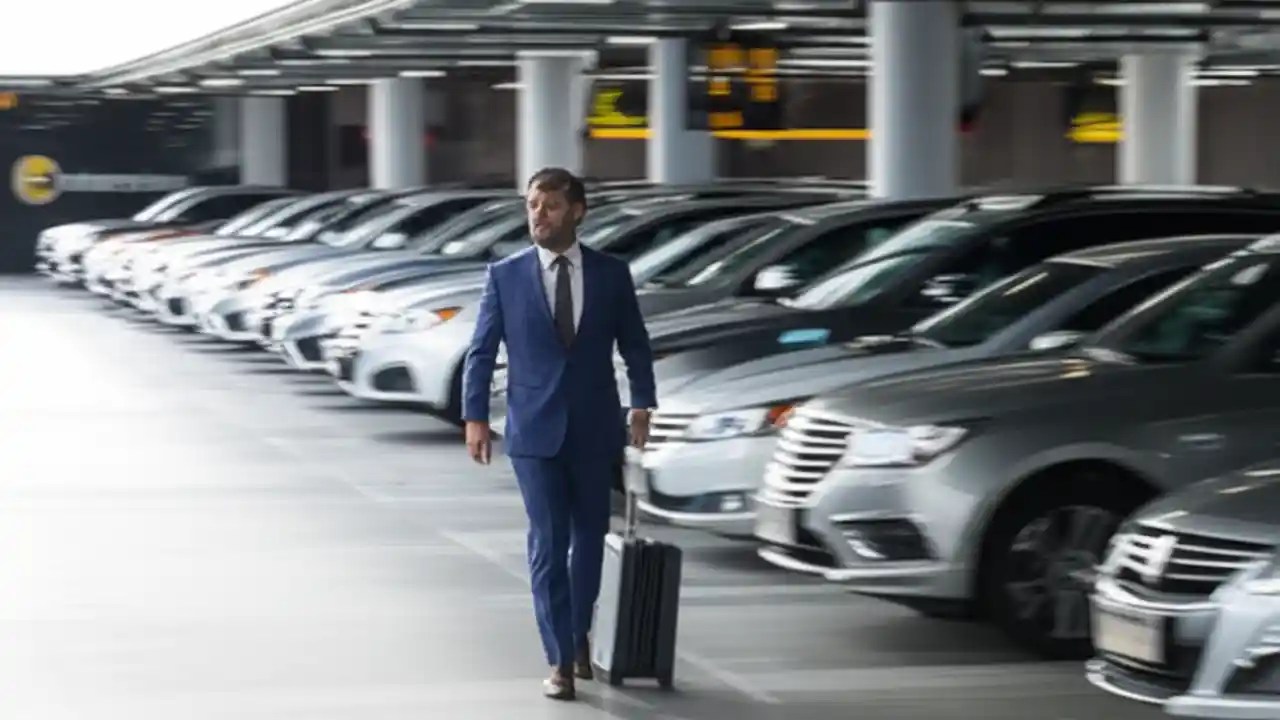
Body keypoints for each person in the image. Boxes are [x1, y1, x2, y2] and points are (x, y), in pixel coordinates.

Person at [460, 167, 656, 701]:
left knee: (589, 537)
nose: (537, 215)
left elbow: (634, 344)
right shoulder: (505, 275)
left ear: (576, 211)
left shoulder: (612, 274)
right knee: (548, 542)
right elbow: (481, 350)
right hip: (532, 430)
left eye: (548, 205)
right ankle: (560, 659)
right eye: (531, 205)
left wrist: (642, 402)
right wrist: (474, 415)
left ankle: (578, 631)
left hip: (595, 427)